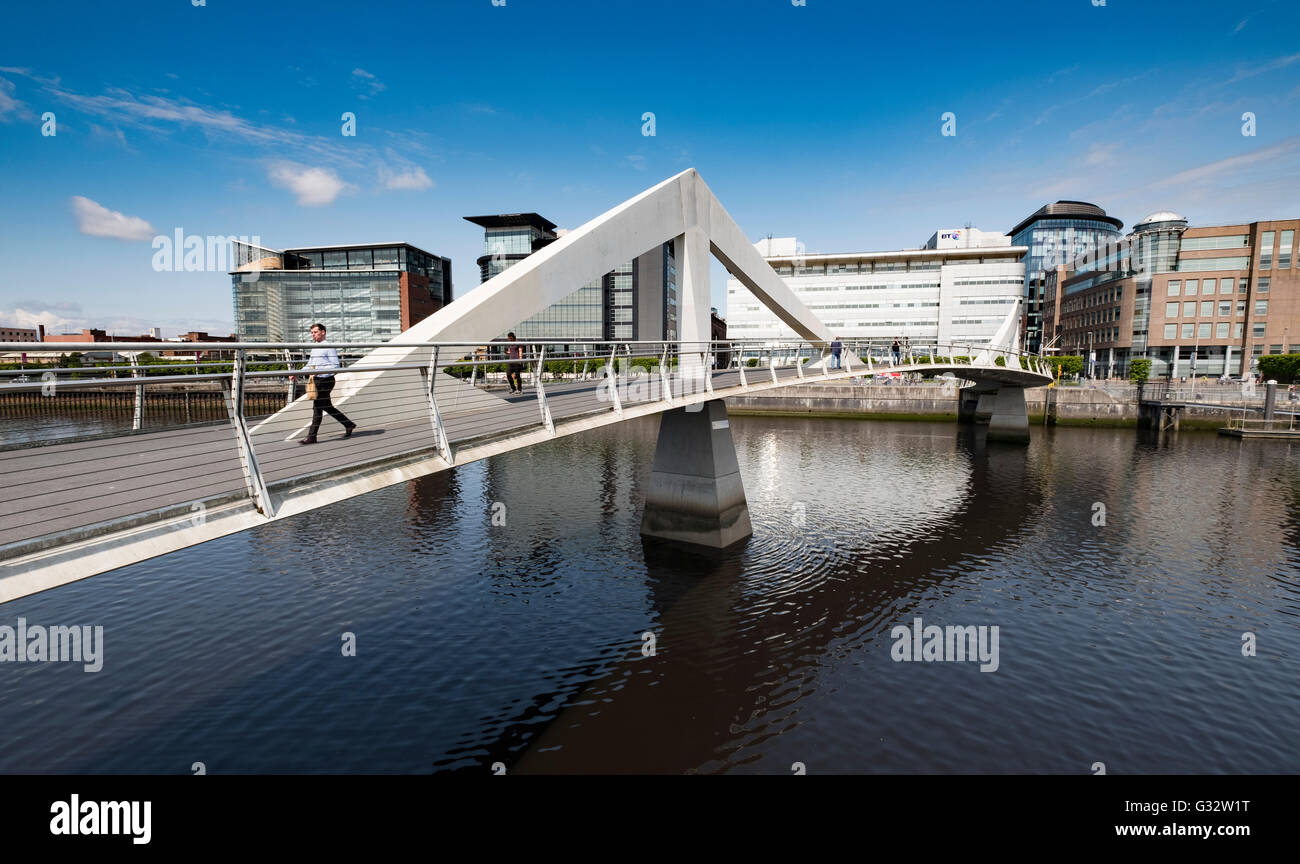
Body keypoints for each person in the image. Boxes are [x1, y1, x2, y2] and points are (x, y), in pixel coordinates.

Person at [290, 322, 355, 445]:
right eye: (312, 333)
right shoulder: (315, 347)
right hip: (317, 380)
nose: (313, 335)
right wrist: (297, 373)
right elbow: (310, 365)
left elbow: (336, 366)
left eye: (315, 332)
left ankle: (312, 437)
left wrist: (320, 372)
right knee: (327, 407)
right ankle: (349, 424)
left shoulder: (328, 347)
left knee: (317, 407)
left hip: (326, 380)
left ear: (323, 332)